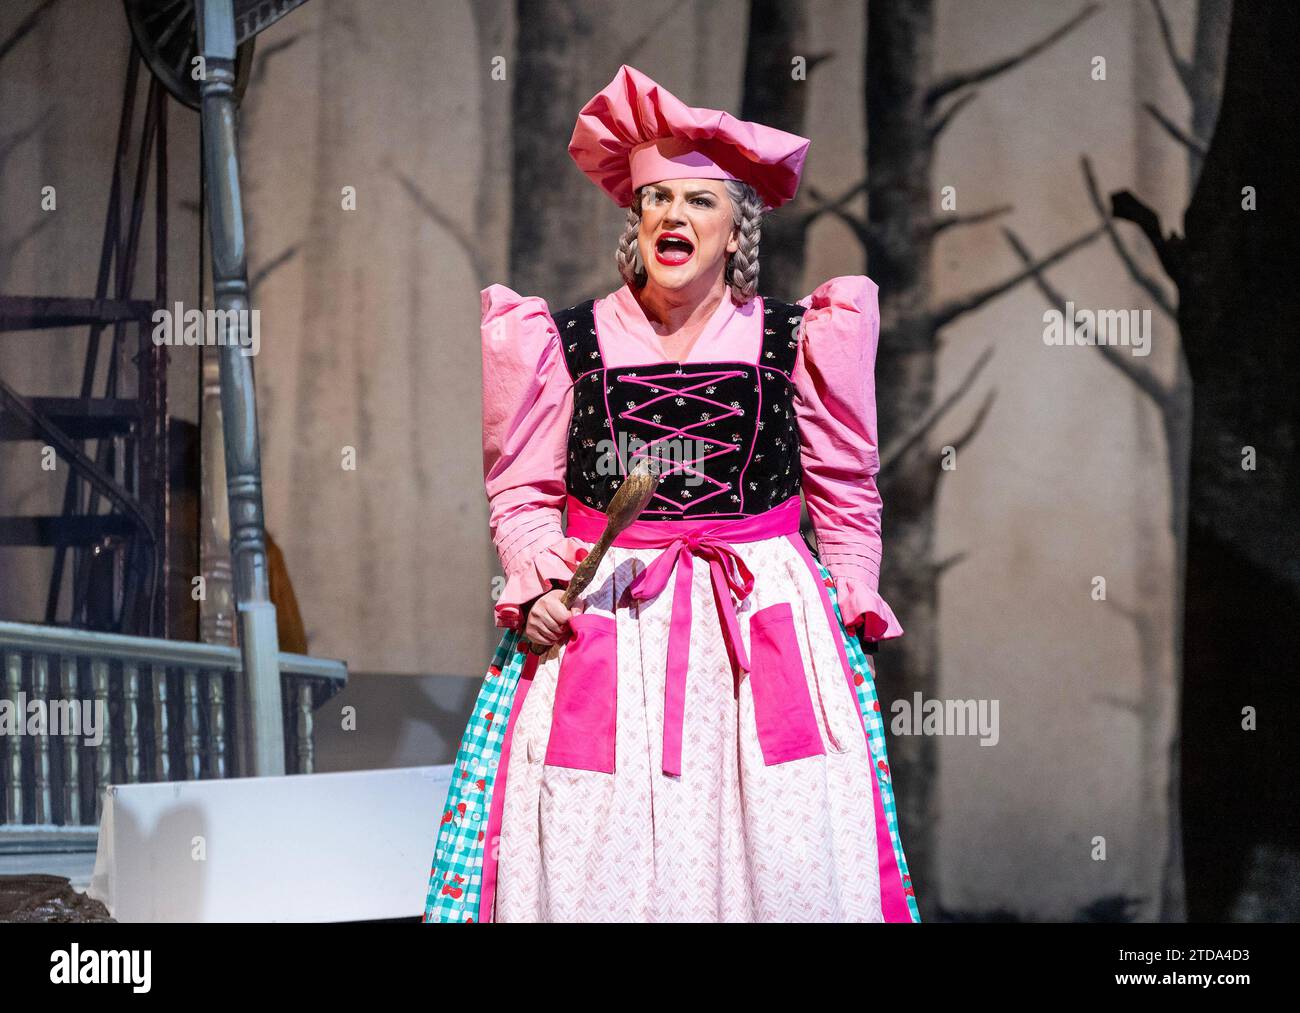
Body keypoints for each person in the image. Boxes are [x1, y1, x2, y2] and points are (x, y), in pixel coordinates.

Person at [423, 64, 917, 923]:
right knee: (593, 861)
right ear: (635, 222)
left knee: (785, 856)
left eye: (699, 202)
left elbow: (845, 490)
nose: (673, 217)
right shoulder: (563, 342)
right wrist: (537, 589)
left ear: (737, 231)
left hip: (761, 635)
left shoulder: (797, 338)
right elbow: (522, 492)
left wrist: (847, 599)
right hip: (607, 621)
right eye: (658, 201)